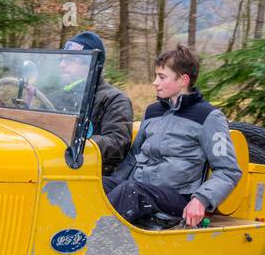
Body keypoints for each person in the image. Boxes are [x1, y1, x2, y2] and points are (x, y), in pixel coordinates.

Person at [103, 44, 241, 227]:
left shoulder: (208, 117)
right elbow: (132, 158)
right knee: (97, 185)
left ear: (183, 80)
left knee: (131, 191)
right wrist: (109, 186)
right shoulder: (153, 112)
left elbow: (228, 171)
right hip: (140, 188)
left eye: (161, 77)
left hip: (177, 197)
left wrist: (201, 199)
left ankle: (88, 241)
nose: (155, 82)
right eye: (155, 76)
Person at [47, 30, 133, 175]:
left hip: (88, 173)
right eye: (61, 59)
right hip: (50, 165)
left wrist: (75, 142)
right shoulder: (53, 97)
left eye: (70, 60)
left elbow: (118, 144)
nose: (62, 65)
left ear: (91, 64)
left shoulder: (114, 100)